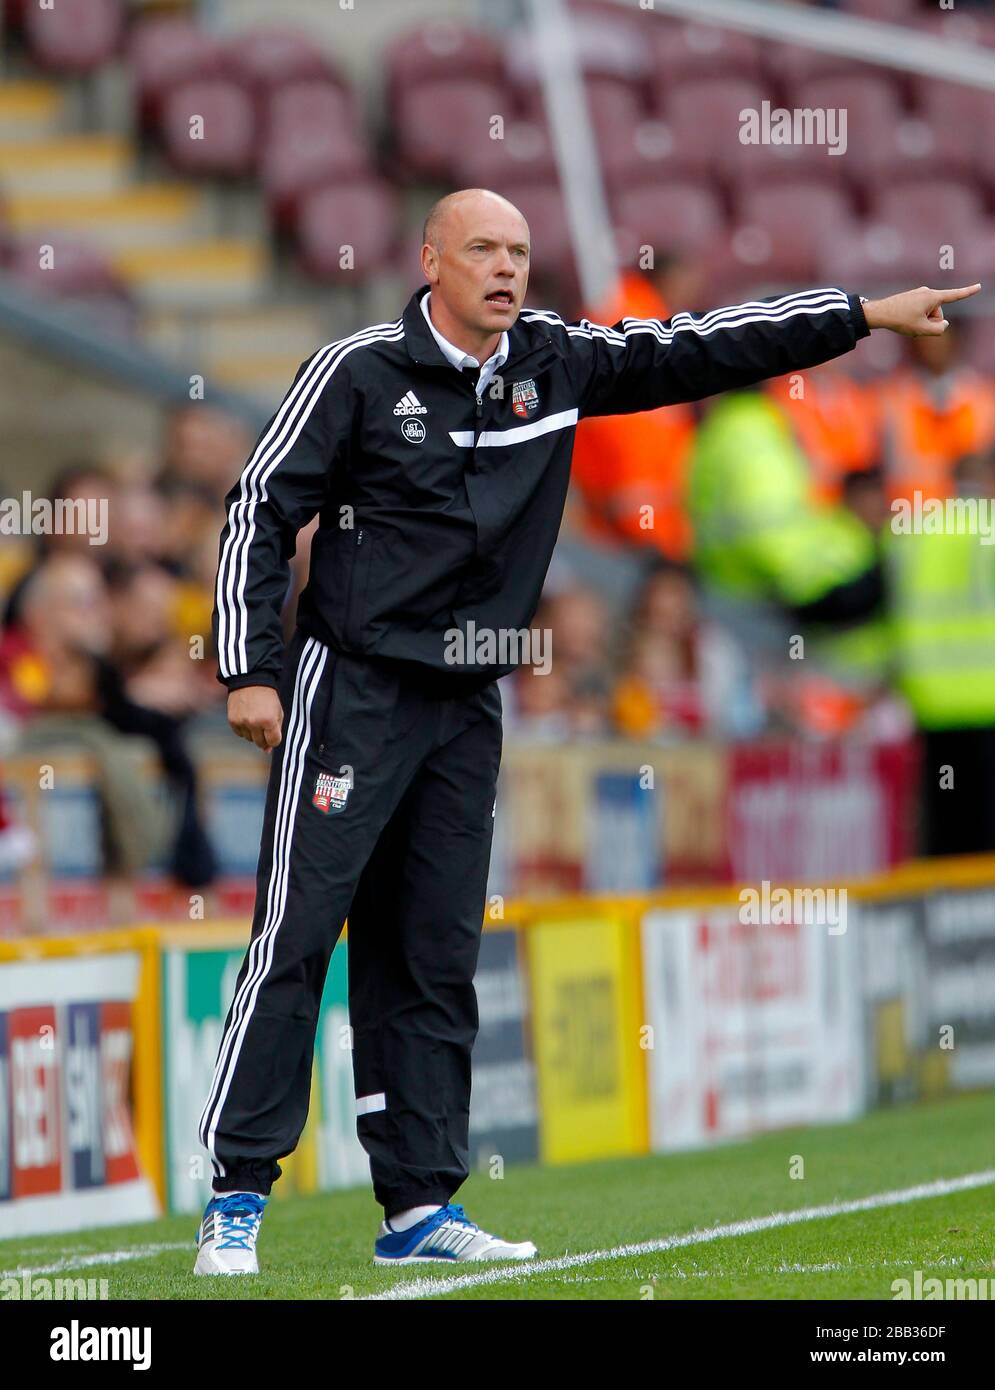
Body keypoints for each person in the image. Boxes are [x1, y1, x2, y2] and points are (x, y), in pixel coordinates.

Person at [193, 184, 979, 1274]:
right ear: (430, 258)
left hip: (468, 697)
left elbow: (701, 348)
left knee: (433, 953)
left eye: (517, 250)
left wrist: (859, 314)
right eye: (481, 248)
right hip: (353, 687)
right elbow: (259, 509)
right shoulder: (358, 370)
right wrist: (250, 669)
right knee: (298, 932)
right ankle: (236, 1196)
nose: (505, 267)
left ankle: (418, 1206)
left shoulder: (553, 362)